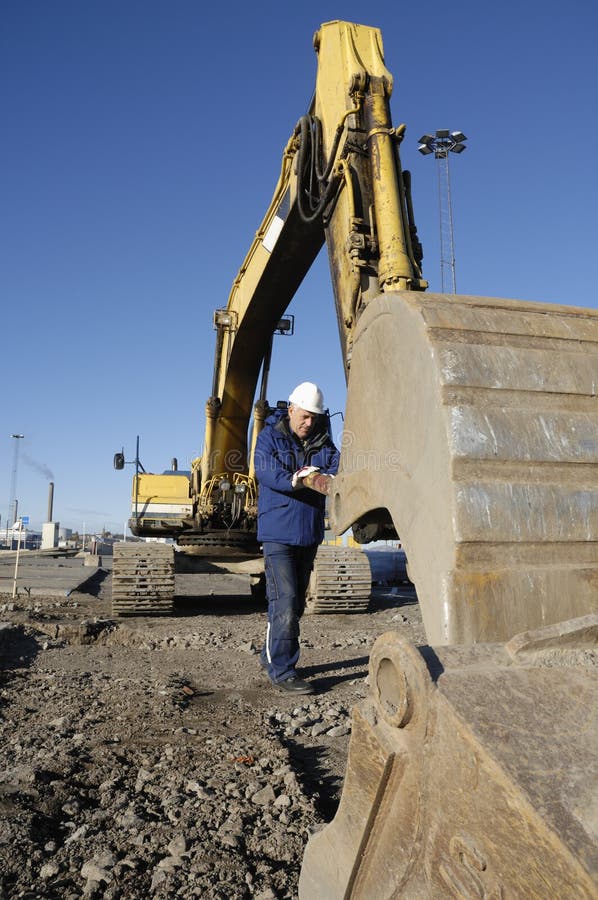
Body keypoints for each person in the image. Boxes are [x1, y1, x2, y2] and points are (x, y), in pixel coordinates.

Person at [254, 381, 339, 694]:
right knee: (285, 601)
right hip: (278, 533)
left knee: (294, 604)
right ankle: (284, 670)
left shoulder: (323, 442)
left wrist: (321, 476)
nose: (308, 422)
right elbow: (265, 471)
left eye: (314, 418)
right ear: (290, 410)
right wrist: (298, 478)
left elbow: (337, 467)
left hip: (308, 533)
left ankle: (270, 654)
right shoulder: (269, 438)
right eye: (304, 416)